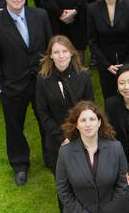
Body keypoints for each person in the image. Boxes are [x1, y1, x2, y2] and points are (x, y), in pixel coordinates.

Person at [0, 0, 52, 183]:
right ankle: (20, 164)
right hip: (13, 86)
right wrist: (0, 87)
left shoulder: (40, 15)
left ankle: (51, 157)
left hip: (41, 81)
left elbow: (50, 47)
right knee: (14, 127)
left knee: (47, 121)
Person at [35, 35, 95, 174]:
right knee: (63, 184)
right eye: (56, 52)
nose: (61, 55)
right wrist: (62, 137)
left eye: (64, 51)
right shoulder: (43, 80)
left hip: (84, 137)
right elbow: (43, 113)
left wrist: (81, 133)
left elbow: (91, 107)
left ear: (71, 53)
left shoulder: (83, 76)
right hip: (57, 141)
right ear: (50, 55)